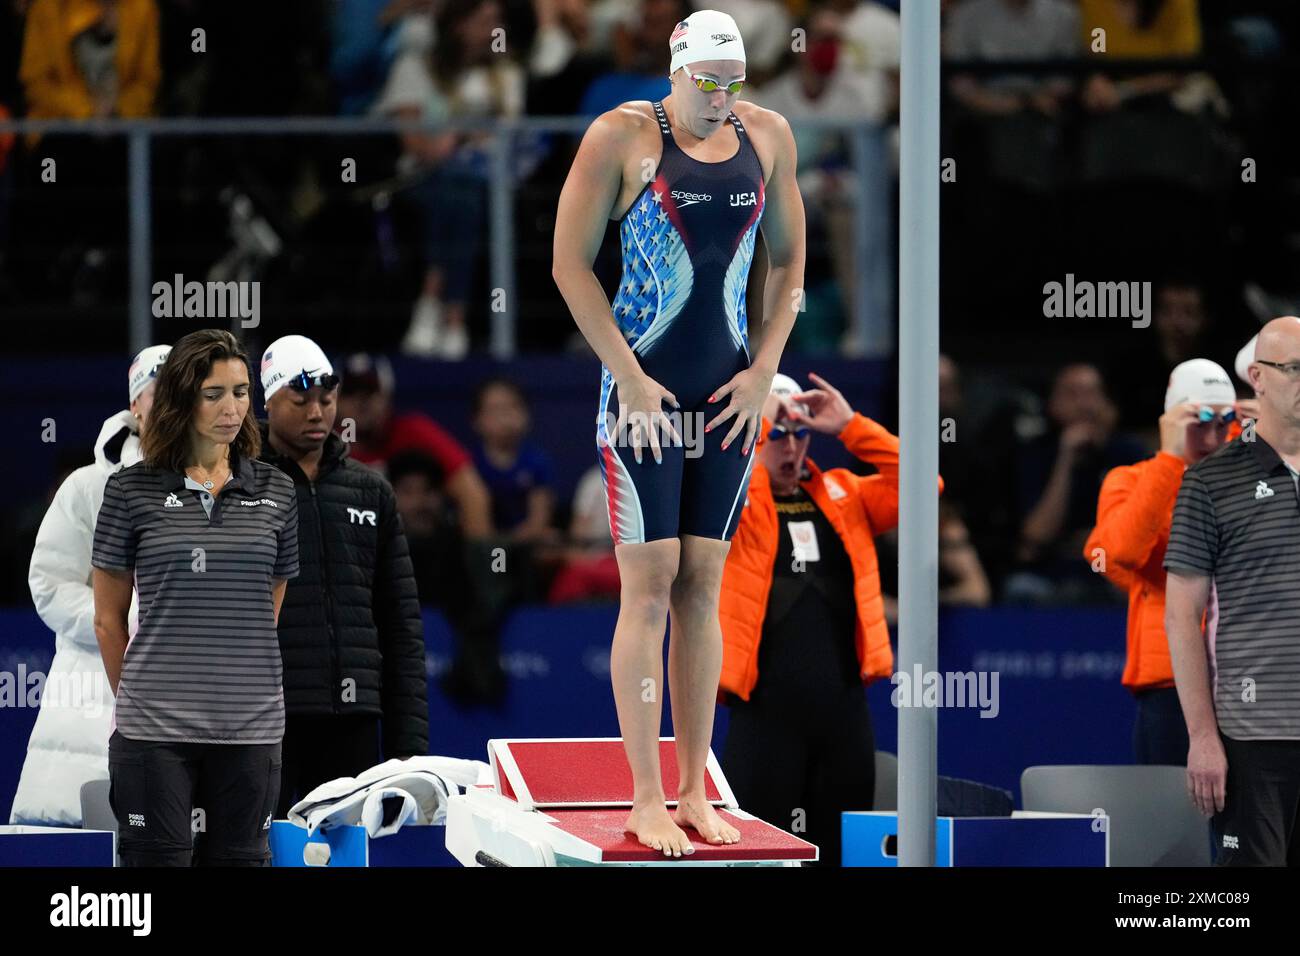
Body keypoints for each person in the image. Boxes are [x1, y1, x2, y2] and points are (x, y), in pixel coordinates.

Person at [552, 9, 806, 857]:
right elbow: (567, 263)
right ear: (676, 69)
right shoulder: (622, 136)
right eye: (708, 84)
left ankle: (697, 788)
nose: (722, 100)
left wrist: (766, 367)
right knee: (651, 581)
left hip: (730, 394)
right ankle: (645, 796)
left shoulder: (767, 135)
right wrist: (626, 375)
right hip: (643, 395)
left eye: (734, 84)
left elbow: (789, 261)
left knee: (705, 581)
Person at [91, 330, 299, 866]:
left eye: (241, 391)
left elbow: (264, 612)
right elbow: (108, 621)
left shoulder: (277, 492)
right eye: (213, 394)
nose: (232, 408)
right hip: (152, 733)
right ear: (182, 399)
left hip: (251, 729)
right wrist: (144, 700)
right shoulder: (129, 490)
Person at [718, 373, 938, 867]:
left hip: (843, 713)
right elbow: (726, 480)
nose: (790, 446)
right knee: (759, 855)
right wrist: (758, 418)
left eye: (800, 434)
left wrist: (852, 426)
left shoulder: (845, 493)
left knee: (843, 854)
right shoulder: (736, 501)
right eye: (777, 434)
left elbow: (927, 486)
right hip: (764, 714)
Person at [256, 335, 428, 818]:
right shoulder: (240, 487)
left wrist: (408, 749)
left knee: (342, 855)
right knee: (250, 850)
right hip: (264, 718)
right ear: (267, 401)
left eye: (327, 400)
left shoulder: (371, 490)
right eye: (301, 400)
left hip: (352, 717)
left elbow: (400, 625)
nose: (317, 413)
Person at [10, 344, 169, 826]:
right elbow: (51, 584)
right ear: (136, 404)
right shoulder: (88, 487)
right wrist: (127, 619)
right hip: (90, 689)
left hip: (187, 686)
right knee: (86, 845)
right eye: (159, 394)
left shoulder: (220, 491)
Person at [1165, 315, 1300, 866]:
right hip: (1252, 738)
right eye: (1295, 369)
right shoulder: (1210, 482)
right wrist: (1202, 737)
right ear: (1258, 377)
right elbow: (1181, 618)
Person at [1084, 359, 1237, 766]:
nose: (1212, 436)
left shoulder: (1248, 476)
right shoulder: (1129, 480)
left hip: (1248, 676)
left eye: (1224, 422)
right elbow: (1120, 552)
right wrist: (1170, 461)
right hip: (1169, 681)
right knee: (1172, 820)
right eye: (1198, 421)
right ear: (1170, 423)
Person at [335, 352, 492, 538]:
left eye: (370, 393)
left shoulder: (414, 432)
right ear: (334, 401)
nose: (361, 403)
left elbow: (472, 495)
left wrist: (482, 562)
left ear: (387, 397)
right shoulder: (322, 446)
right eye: (350, 394)